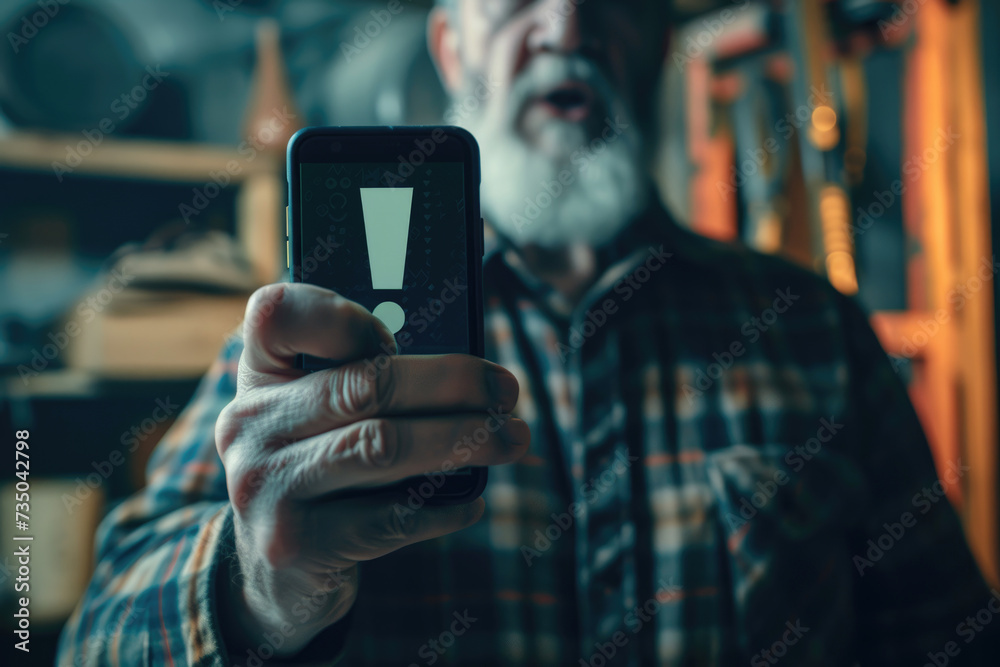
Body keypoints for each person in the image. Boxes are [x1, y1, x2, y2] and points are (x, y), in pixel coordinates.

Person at [59, 0, 999, 665]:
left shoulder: (813, 333)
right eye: (514, 3)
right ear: (452, 46)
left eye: (613, 1)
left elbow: (948, 634)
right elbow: (93, 638)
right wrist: (258, 590)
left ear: (660, 38)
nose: (566, 25)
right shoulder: (312, 342)